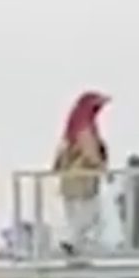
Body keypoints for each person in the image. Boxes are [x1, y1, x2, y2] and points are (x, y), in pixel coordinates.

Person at [53, 90, 110, 256]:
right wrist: (103, 168)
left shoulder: (70, 129)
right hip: (83, 180)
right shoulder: (85, 128)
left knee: (74, 216)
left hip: (68, 180)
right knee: (92, 213)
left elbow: (57, 159)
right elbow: (90, 154)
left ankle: (74, 245)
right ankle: (72, 242)